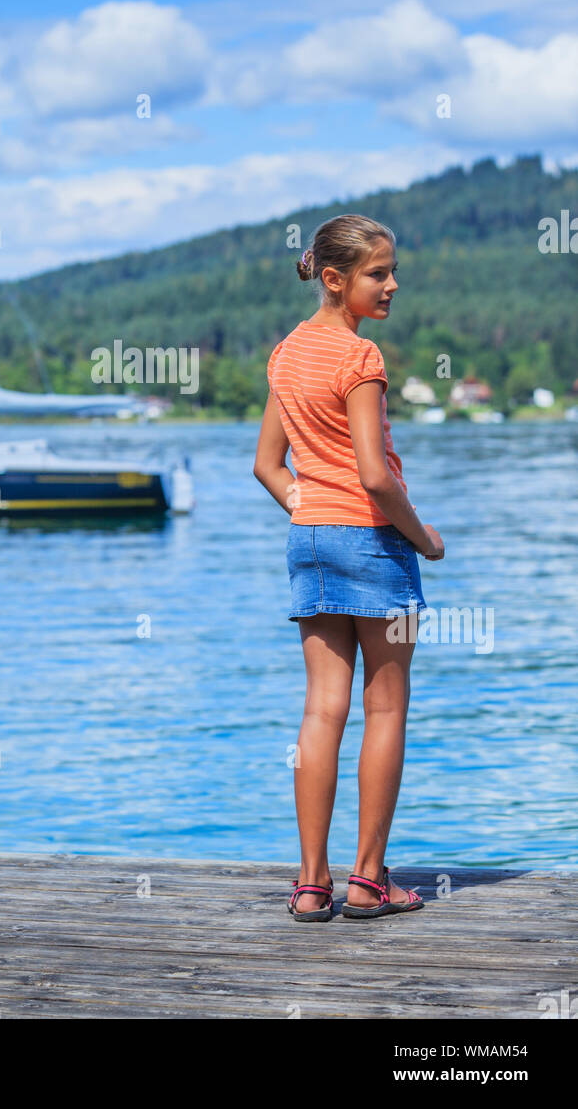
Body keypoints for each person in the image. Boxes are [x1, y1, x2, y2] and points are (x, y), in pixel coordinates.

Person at [253, 214, 444, 922]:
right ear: (335, 280)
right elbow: (374, 476)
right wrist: (423, 538)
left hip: (308, 543)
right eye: (377, 274)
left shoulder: (285, 353)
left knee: (320, 710)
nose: (392, 285)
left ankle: (310, 885)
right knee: (385, 706)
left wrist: (311, 509)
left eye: (393, 272)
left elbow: (266, 466)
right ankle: (367, 881)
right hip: (371, 542)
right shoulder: (360, 358)